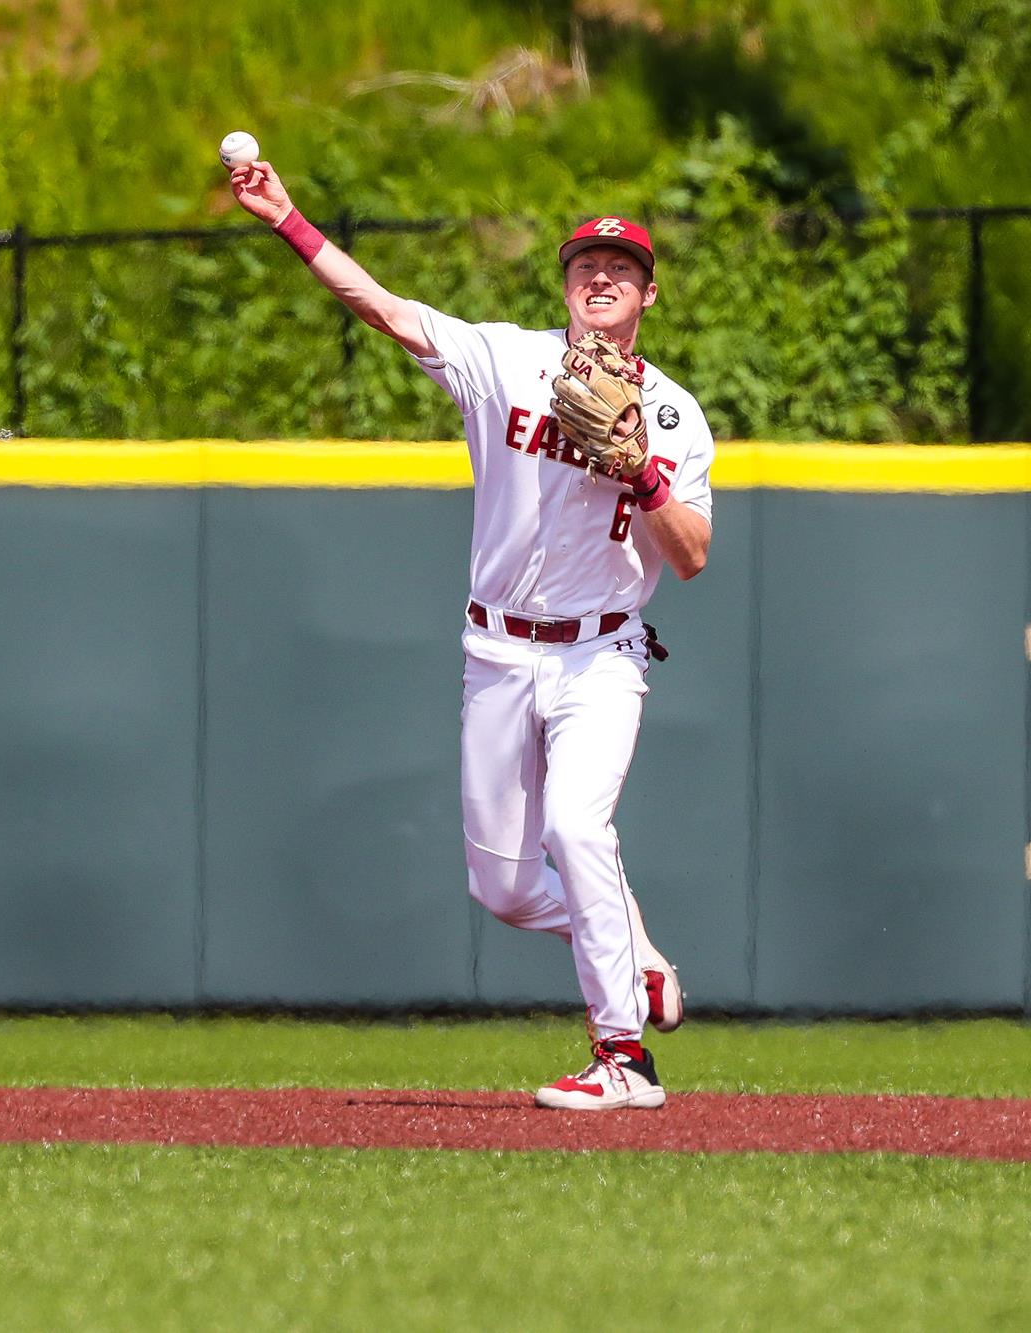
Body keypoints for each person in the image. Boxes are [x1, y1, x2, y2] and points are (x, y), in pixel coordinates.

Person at [230, 158, 715, 1111]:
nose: (602, 277)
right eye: (586, 264)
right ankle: (636, 954)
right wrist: (288, 218)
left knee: (579, 826)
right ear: (566, 282)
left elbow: (692, 554)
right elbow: (383, 307)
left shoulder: (672, 415)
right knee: (502, 887)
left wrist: (642, 473)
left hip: (600, 653)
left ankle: (625, 1058)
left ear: (650, 293)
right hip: (496, 650)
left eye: (621, 266)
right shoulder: (506, 360)